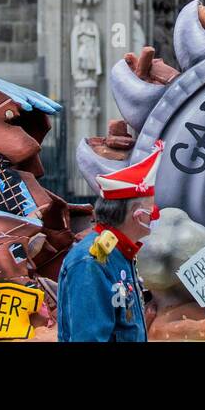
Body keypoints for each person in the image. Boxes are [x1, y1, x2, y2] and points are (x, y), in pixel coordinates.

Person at [56, 142, 162, 342]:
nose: (154, 217)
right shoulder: (92, 261)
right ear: (136, 215)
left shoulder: (118, 253)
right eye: (151, 210)